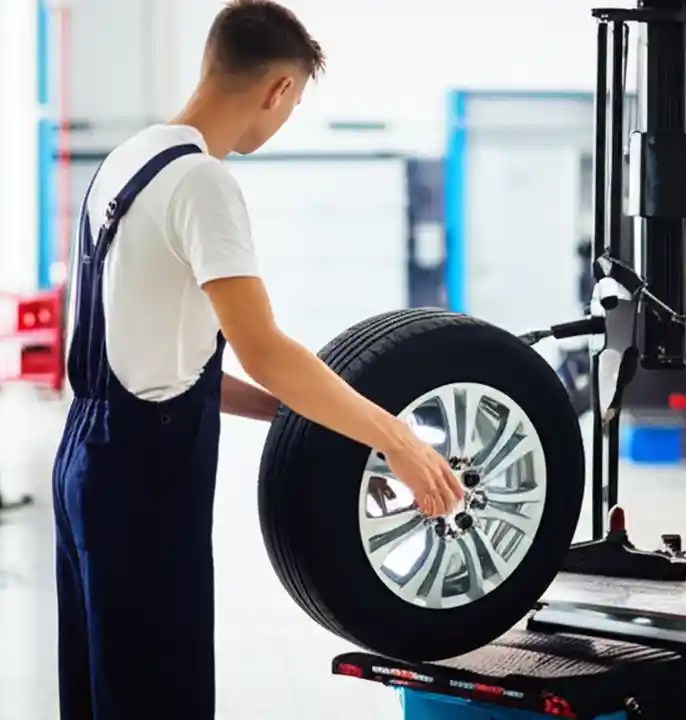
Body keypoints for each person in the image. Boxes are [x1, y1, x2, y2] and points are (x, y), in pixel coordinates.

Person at [50, 2, 464, 717]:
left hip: (89, 457)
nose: (286, 116)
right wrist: (395, 440)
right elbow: (265, 348)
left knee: (103, 692)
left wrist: (312, 423)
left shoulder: (131, 159)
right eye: (295, 101)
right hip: (142, 480)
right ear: (277, 88)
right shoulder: (203, 183)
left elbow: (173, 365)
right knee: (157, 695)